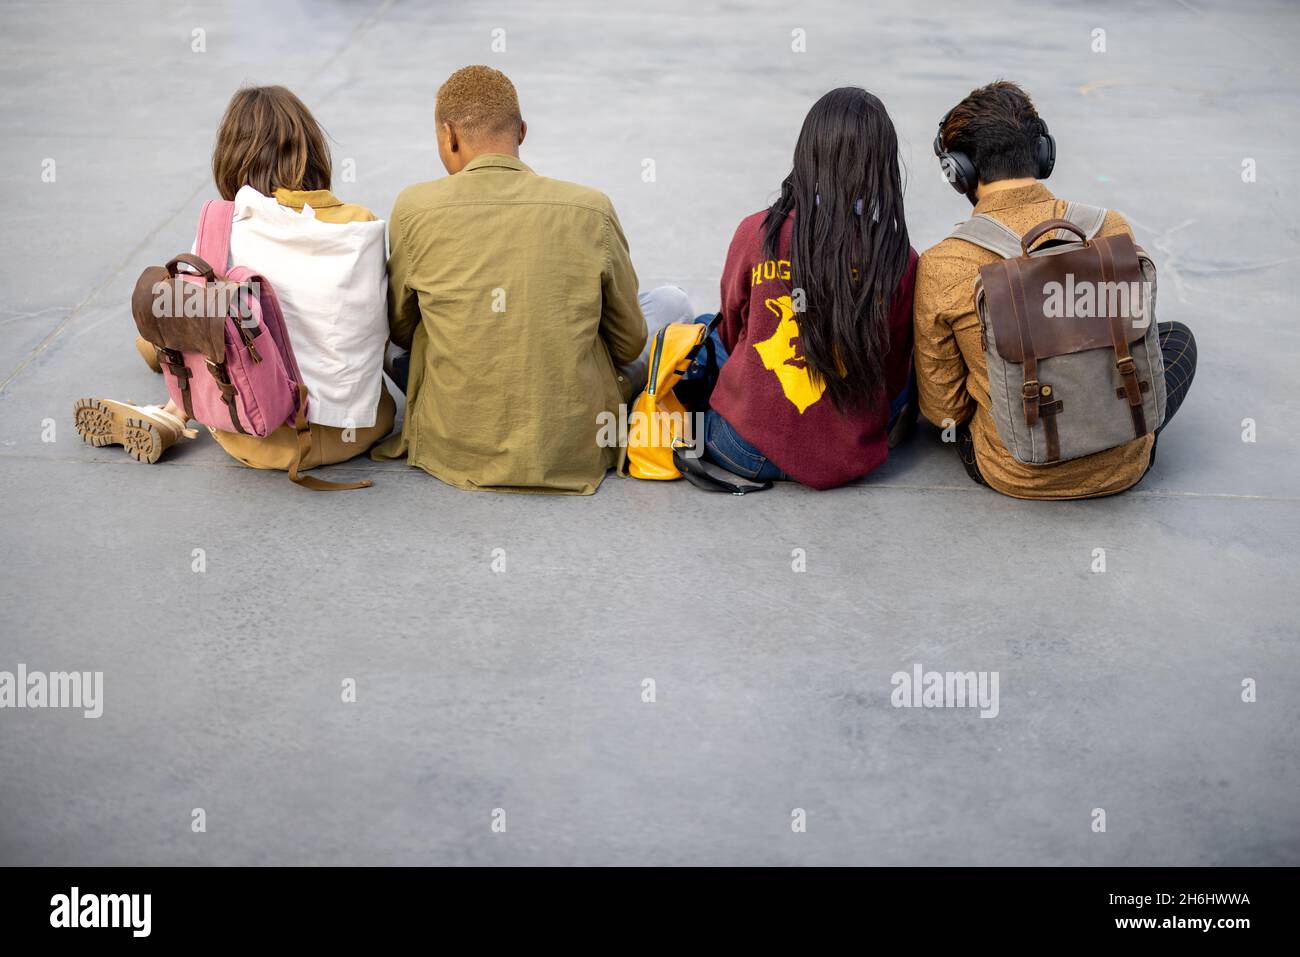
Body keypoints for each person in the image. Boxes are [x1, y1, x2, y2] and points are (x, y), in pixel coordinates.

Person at [373, 65, 694, 495]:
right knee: (672, 302)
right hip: (575, 441)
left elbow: (400, 331)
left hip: (451, 442)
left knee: (374, 316)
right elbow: (629, 343)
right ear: (521, 132)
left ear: (449, 136)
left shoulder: (414, 207)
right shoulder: (591, 208)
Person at [73, 85, 395, 471]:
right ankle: (155, 356)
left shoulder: (224, 227)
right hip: (359, 431)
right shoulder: (361, 225)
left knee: (198, 311)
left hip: (255, 435)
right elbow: (378, 325)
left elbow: (197, 309)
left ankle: (172, 409)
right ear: (313, 149)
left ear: (231, 157)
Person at [914, 80, 1196, 498]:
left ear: (959, 171)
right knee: (1178, 338)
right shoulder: (1109, 228)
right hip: (1124, 466)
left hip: (1015, 472)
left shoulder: (944, 263)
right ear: (1043, 154)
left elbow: (945, 413)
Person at [697, 87, 917, 490]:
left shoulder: (757, 233)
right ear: (882, 166)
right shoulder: (898, 256)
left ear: (807, 152)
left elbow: (731, 327)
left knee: (701, 328)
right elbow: (894, 371)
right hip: (848, 457)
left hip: (742, 448)